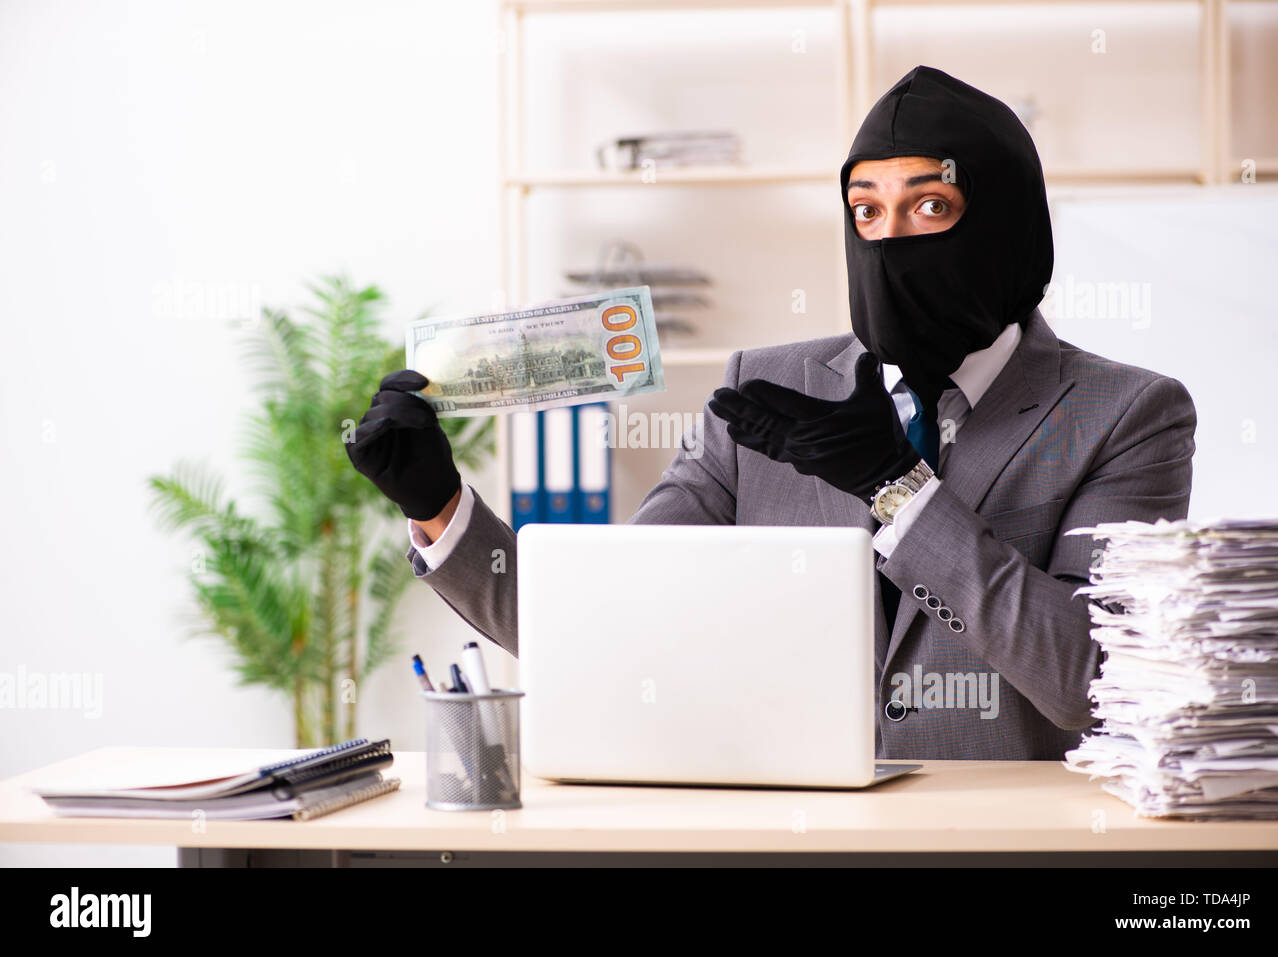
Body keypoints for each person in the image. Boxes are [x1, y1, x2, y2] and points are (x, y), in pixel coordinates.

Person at [347, 66, 1196, 760]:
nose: (888, 240)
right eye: (867, 211)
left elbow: (1095, 680)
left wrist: (901, 491)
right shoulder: (762, 389)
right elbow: (607, 623)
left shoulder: (1128, 414)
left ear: (1007, 227)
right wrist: (441, 508)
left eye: (930, 207)